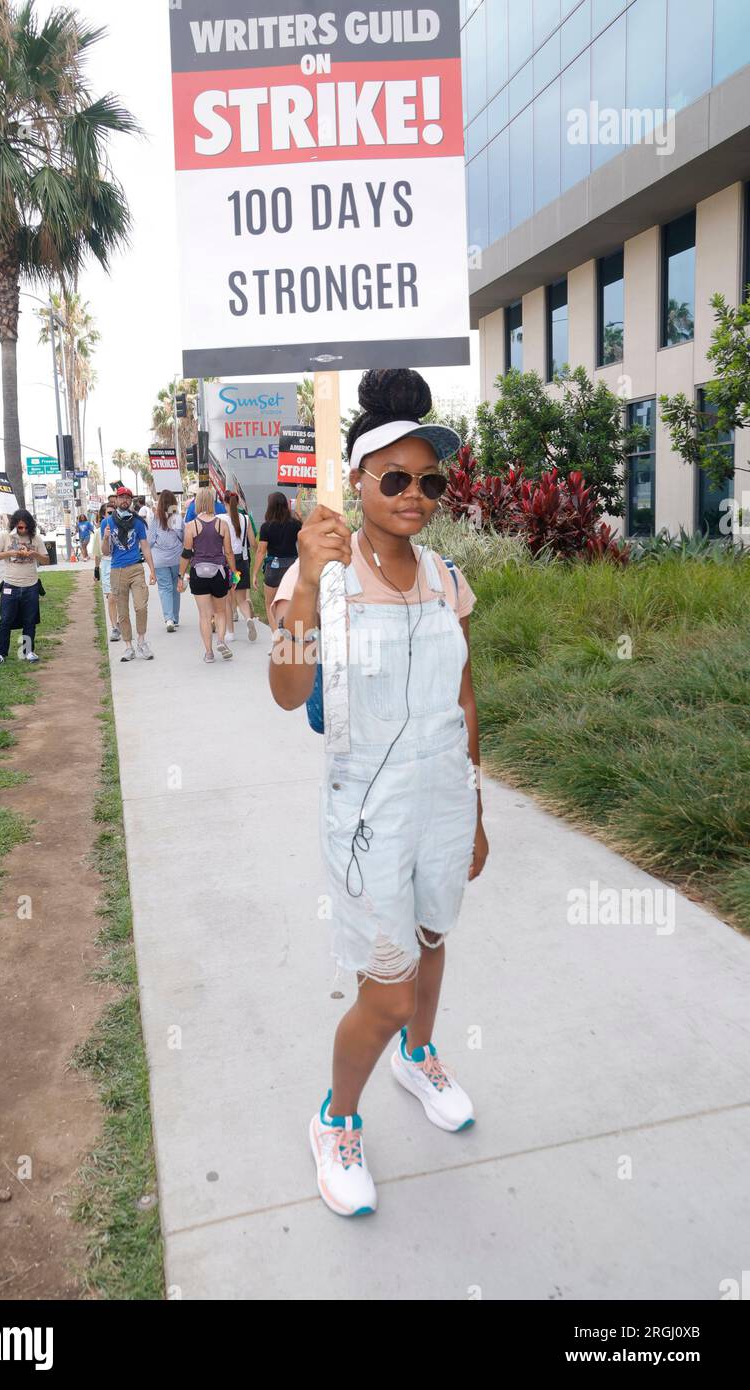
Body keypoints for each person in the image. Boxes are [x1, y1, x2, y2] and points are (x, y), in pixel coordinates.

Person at [268, 367, 490, 1219]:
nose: (415, 496)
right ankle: (336, 1118)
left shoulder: (445, 580)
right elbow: (290, 696)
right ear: (357, 481)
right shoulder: (321, 573)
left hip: (442, 797)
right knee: (386, 987)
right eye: (394, 478)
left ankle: (418, 1055)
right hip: (366, 814)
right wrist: (302, 600)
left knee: (433, 936)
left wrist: (475, 809)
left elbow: (464, 695)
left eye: (429, 480)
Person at [177, 486, 237, 663]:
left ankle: (209, 653)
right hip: (219, 572)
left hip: (198, 573)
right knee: (220, 612)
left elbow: (187, 553)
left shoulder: (191, 526)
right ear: (211, 502)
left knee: (204, 615)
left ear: (197, 503)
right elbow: (229, 552)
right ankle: (220, 640)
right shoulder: (222, 524)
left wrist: (180, 575)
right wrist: (234, 573)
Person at [101, 485, 157, 662]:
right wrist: (105, 538)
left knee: (141, 606)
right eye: (121, 497)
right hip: (117, 570)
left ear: (131, 501)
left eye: (128, 497)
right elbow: (106, 552)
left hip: (136, 568)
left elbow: (145, 546)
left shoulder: (138, 522)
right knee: (123, 612)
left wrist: (152, 570)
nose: (124, 500)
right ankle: (128, 646)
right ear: (115, 500)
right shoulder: (107, 523)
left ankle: (141, 641)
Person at [0, 508, 50, 665]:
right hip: (11, 584)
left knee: (29, 620)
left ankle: (28, 651)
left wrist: (33, 554)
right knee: (5, 620)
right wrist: (10, 553)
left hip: (31, 585)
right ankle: (1, 653)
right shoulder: (5, 537)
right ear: (14, 525)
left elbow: (46, 560)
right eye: (20, 527)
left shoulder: (36, 539)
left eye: (26, 527)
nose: (23, 530)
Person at [254, 492, 302, 632]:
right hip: (292, 567)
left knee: (270, 604)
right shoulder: (295, 524)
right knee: (291, 603)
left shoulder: (266, 527)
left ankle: (276, 637)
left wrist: (255, 573)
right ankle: (292, 633)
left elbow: (261, 551)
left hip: (273, 568)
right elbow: (305, 539)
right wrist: (299, 518)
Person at [223, 491, 258, 643]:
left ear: (225, 503)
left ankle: (230, 633)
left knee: (227, 598)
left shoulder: (221, 519)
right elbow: (253, 543)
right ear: (237, 503)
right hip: (242, 562)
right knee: (241, 598)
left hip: (228, 563)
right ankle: (248, 619)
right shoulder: (245, 519)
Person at [149, 490, 185, 632]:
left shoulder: (155, 519)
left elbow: (150, 540)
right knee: (177, 587)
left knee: (165, 589)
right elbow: (183, 536)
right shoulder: (177, 518)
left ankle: (168, 618)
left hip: (160, 559)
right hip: (177, 558)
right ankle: (175, 618)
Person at [92, 504, 120, 637]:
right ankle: (114, 627)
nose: (111, 515)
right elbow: (97, 552)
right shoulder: (99, 532)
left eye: (114, 513)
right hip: (107, 564)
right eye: (109, 513)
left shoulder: (121, 526)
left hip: (120, 564)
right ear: (103, 515)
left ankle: (120, 622)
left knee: (120, 597)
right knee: (111, 598)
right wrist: (96, 569)